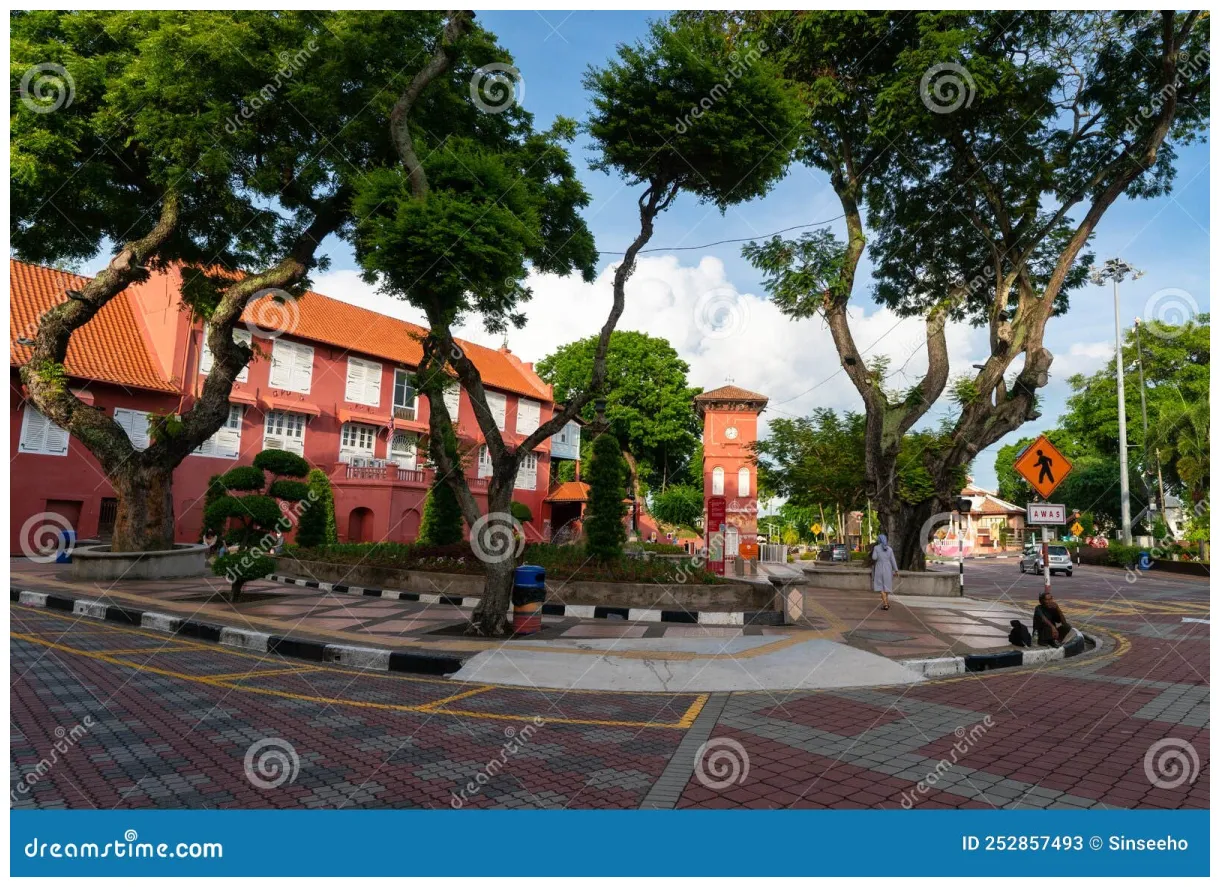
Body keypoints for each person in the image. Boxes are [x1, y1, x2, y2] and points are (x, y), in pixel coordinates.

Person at [871, 533, 899, 611]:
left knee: (881, 587)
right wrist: (896, 570)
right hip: (888, 568)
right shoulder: (890, 549)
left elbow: (874, 558)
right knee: (886, 586)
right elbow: (893, 560)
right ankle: (886, 602)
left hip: (879, 567)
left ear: (878, 540)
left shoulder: (876, 548)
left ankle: (885, 604)